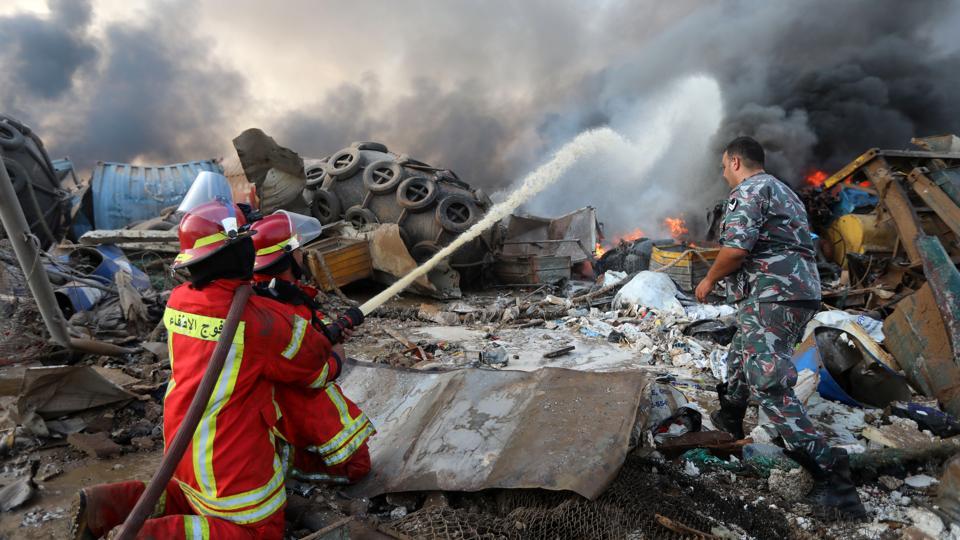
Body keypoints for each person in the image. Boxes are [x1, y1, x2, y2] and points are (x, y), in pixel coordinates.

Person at [74, 195, 341, 539]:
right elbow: (313, 366)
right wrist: (334, 355)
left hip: (183, 444)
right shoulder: (263, 321)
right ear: (239, 254)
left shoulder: (181, 299)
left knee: (186, 496)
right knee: (259, 532)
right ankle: (145, 536)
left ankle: (103, 505)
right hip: (233, 463)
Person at [695, 136, 865, 519]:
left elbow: (736, 250)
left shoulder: (748, 191)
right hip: (794, 292)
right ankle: (730, 418)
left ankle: (833, 477)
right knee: (742, 352)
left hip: (772, 295)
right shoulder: (784, 191)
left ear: (736, 162)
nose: (723, 173)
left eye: (724, 166)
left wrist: (708, 281)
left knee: (769, 381)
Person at [250, 211, 374, 485]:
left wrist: (331, 332)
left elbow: (307, 332)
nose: (302, 253)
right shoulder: (280, 311)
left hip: (278, 402)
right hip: (294, 400)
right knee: (358, 465)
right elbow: (307, 373)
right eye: (297, 249)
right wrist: (336, 360)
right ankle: (289, 463)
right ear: (285, 257)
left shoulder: (273, 294)